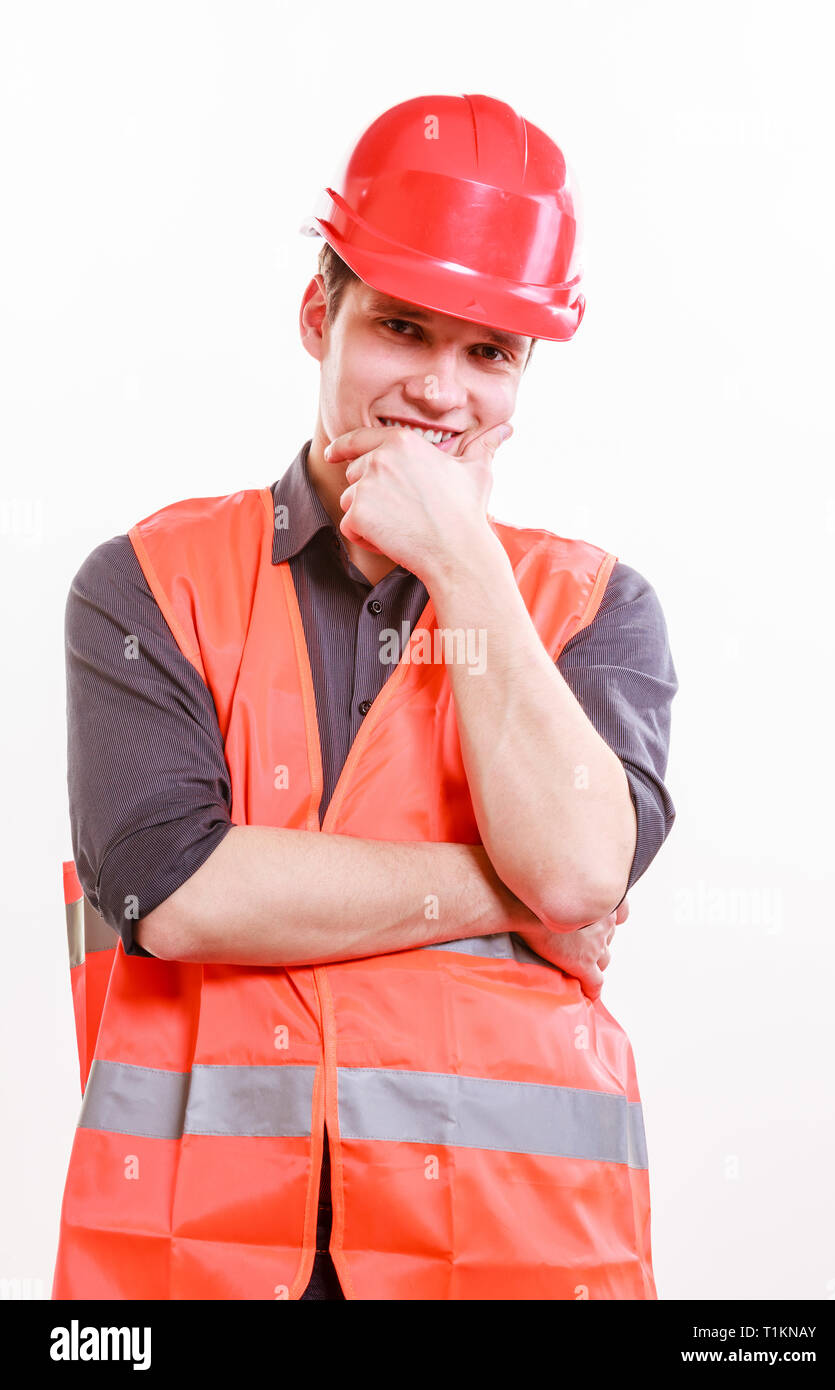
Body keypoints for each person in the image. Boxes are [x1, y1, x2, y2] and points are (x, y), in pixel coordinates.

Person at [54, 93, 678, 1301]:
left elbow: (581, 869)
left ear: (522, 373)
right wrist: (498, 891)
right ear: (317, 316)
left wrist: (463, 565)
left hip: (512, 1261)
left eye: (488, 352)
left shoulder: (595, 607)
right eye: (402, 329)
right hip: (200, 1260)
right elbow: (176, 890)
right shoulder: (146, 584)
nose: (442, 392)